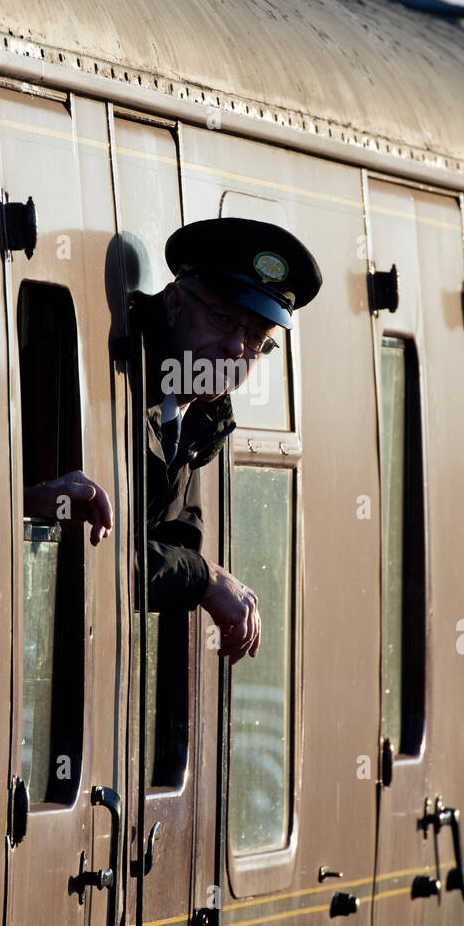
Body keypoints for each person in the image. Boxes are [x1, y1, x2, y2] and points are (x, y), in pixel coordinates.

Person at [131, 217, 323, 665]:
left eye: (256, 338)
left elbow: (175, 545)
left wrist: (196, 575)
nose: (237, 349)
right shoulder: (126, 384)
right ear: (174, 303)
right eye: (221, 319)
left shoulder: (197, 417)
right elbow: (101, 556)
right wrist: (204, 579)